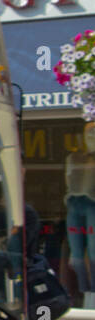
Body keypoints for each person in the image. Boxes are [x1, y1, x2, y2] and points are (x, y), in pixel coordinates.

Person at [65, 121, 95, 308]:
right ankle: (84, 293)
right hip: (74, 205)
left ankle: (92, 293)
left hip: (92, 205)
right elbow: (68, 182)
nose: (91, 135)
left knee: (94, 252)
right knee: (76, 253)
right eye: (89, 132)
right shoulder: (73, 158)